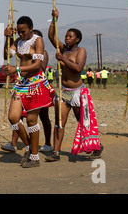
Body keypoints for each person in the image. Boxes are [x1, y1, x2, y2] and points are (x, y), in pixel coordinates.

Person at [45, 9, 102, 162]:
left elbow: (78, 68)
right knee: (59, 122)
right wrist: (54, 19)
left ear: (77, 39)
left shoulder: (80, 51)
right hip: (63, 92)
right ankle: (56, 152)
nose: (67, 38)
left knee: (82, 121)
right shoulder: (63, 49)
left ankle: (97, 145)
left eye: (70, 37)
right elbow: (51, 36)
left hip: (77, 92)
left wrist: (62, 58)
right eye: (66, 36)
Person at [3, 17, 55, 168]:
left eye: (23, 31)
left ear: (31, 28)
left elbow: (38, 65)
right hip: (21, 84)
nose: (21, 34)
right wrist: (7, 38)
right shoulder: (17, 41)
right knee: (13, 118)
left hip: (35, 83)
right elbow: (6, 55)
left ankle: (34, 157)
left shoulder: (37, 41)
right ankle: (29, 147)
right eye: (18, 32)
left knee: (32, 121)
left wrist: (16, 69)